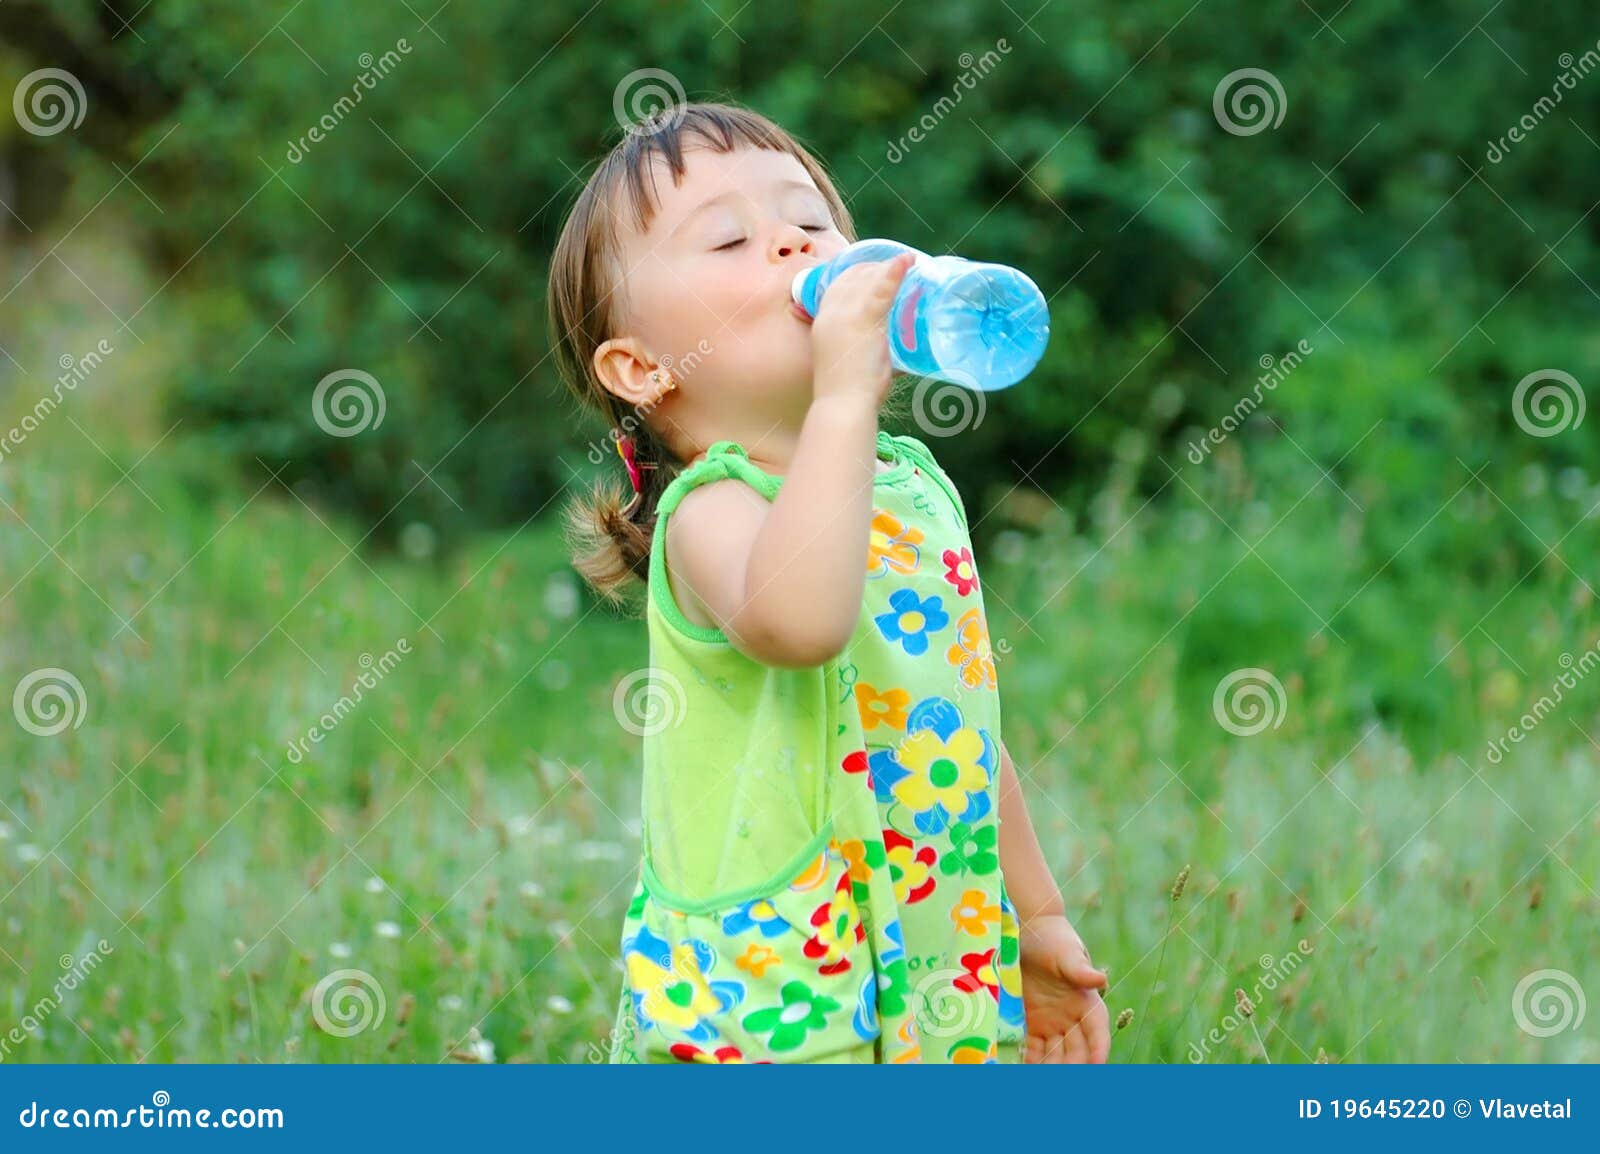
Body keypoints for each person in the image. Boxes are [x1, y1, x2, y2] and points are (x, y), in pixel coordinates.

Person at [549, 100, 1108, 1064]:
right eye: (729, 239)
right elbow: (800, 621)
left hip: (929, 952)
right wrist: (846, 397)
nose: (789, 248)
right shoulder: (709, 512)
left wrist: (1039, 911)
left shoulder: (913, 492)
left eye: (810, 223)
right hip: (773, 986)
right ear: (642, 369)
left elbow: (955, 728)